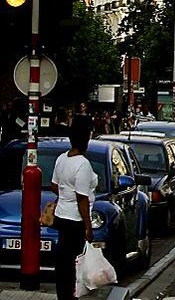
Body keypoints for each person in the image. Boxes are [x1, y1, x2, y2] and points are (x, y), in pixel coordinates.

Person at [51, 115, 98, 300]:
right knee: (75, 262)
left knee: (63, 260)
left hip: (61, 216)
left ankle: (63, 293)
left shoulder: (62, 158)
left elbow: (55, 185)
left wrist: (65, 194)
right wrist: (88, 226)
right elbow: (82, 198)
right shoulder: (83, 164)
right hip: (75, 220)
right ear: (86, 139)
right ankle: (72, 294)